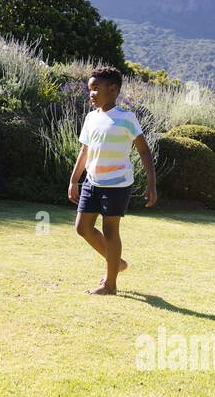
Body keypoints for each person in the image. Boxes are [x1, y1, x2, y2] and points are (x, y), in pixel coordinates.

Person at [67, 66, 156, 296]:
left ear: (113, 89)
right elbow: (84, 151)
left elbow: (144, 152)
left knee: (110, 231)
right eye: (90, 89)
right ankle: (117, 263)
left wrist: (151, 184)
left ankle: (110, 285)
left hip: (117, 184)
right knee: (82, 228)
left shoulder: (126, 118)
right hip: (92, 182)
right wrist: (74, 180)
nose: (91, 93)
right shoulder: (90, 118)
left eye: (96, 88)